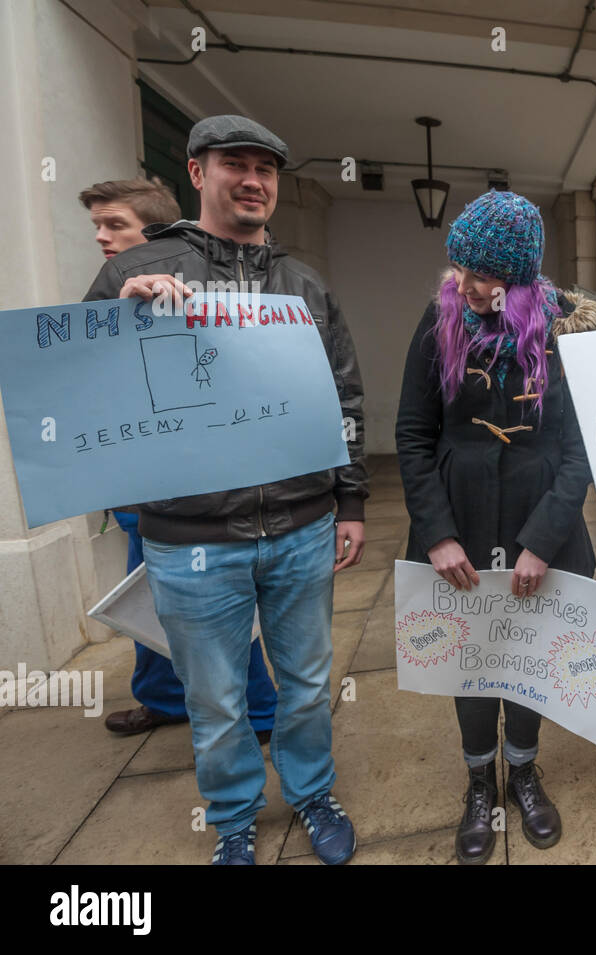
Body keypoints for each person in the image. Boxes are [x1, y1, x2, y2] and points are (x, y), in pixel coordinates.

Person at [84, 115, 367, 865]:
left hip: (303, 529)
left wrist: (352, 502)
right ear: (196, 171)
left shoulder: (303, 284)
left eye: (266, 169)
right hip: (190, 538)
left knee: (305, 684)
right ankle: (234, 816)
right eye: (234, 164)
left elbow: (342, 396)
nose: (252, 180)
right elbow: (83, 388)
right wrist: (120, 323)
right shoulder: (133, 273)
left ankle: (312, 792)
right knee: (214, 702)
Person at [396, 190, 596, 864]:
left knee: (530, 658)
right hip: (459, 518)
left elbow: (581, 450)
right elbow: (411, 432)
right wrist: (436, 532)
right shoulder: (440, 319)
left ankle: (521, 768)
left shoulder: (560, 333)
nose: (471, 285)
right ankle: (478, 782)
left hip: (538, 518)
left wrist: (543, 540)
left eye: (487, 275)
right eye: (464, 268)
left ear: (520, 280)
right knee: (472, 657)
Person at [80, 177, 279, 745]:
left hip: (199, 492)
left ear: (157, 237)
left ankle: (260, 713)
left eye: (114, 224)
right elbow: (83, 380)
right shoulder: (117, 288)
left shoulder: (213, 293)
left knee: (220, 606)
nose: (101, 236)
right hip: (138, 486)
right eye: (97, 224)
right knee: (148, 599)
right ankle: (164, 696)